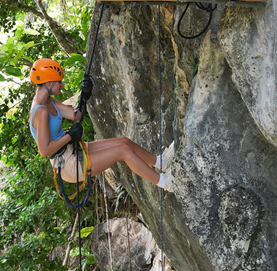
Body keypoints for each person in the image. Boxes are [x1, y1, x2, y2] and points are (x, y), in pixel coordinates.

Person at [28, 58, 175, 191]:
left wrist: (84, 97)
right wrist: (69, 136)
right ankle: (166, 183)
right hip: (68, 164)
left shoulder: (49, 101)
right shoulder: (41, 111)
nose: (61, 85)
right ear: (48, 82)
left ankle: (160, 162)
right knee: (123, 151)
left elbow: (75, 115)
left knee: (124, 141)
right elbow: (44, 151)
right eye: (58, 81)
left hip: (73, 149)